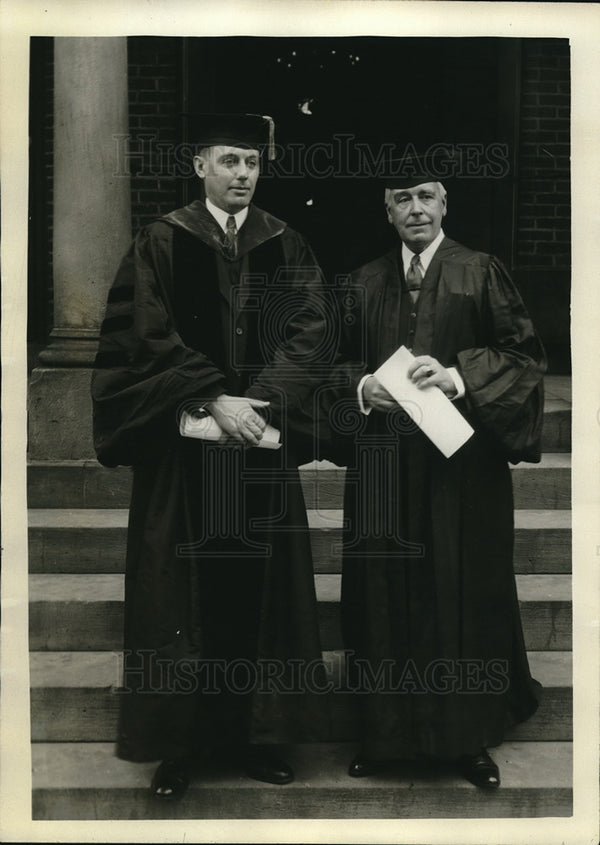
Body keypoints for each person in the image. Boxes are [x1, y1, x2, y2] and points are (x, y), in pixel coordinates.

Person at [91, 114, 332, 801]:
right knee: (181, 596)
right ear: (199, 165)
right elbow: (143, 333)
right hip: (184, 453)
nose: (242, 174)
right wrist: (210, 395)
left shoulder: (286, 243)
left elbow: (312, 329)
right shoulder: (161, 241)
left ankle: (256, 736)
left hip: (257, 443)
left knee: (258, 595)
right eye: (229, 160)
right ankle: (178, 747)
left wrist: (255, 400)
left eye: (251, 162)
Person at [322, 158, 546, 789]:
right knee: (383, 596)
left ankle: (468, 740)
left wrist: (457, 377)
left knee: (462, 592)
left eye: (426, 197)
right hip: (383, 470)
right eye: (402, 199)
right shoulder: (363, 281)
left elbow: (525, 357)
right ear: (386, 211)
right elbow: (331, 362)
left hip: (461, 473)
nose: (415, 209)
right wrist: (363, 386)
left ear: (444, 204)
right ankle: (384, 737)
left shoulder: (481, 271)